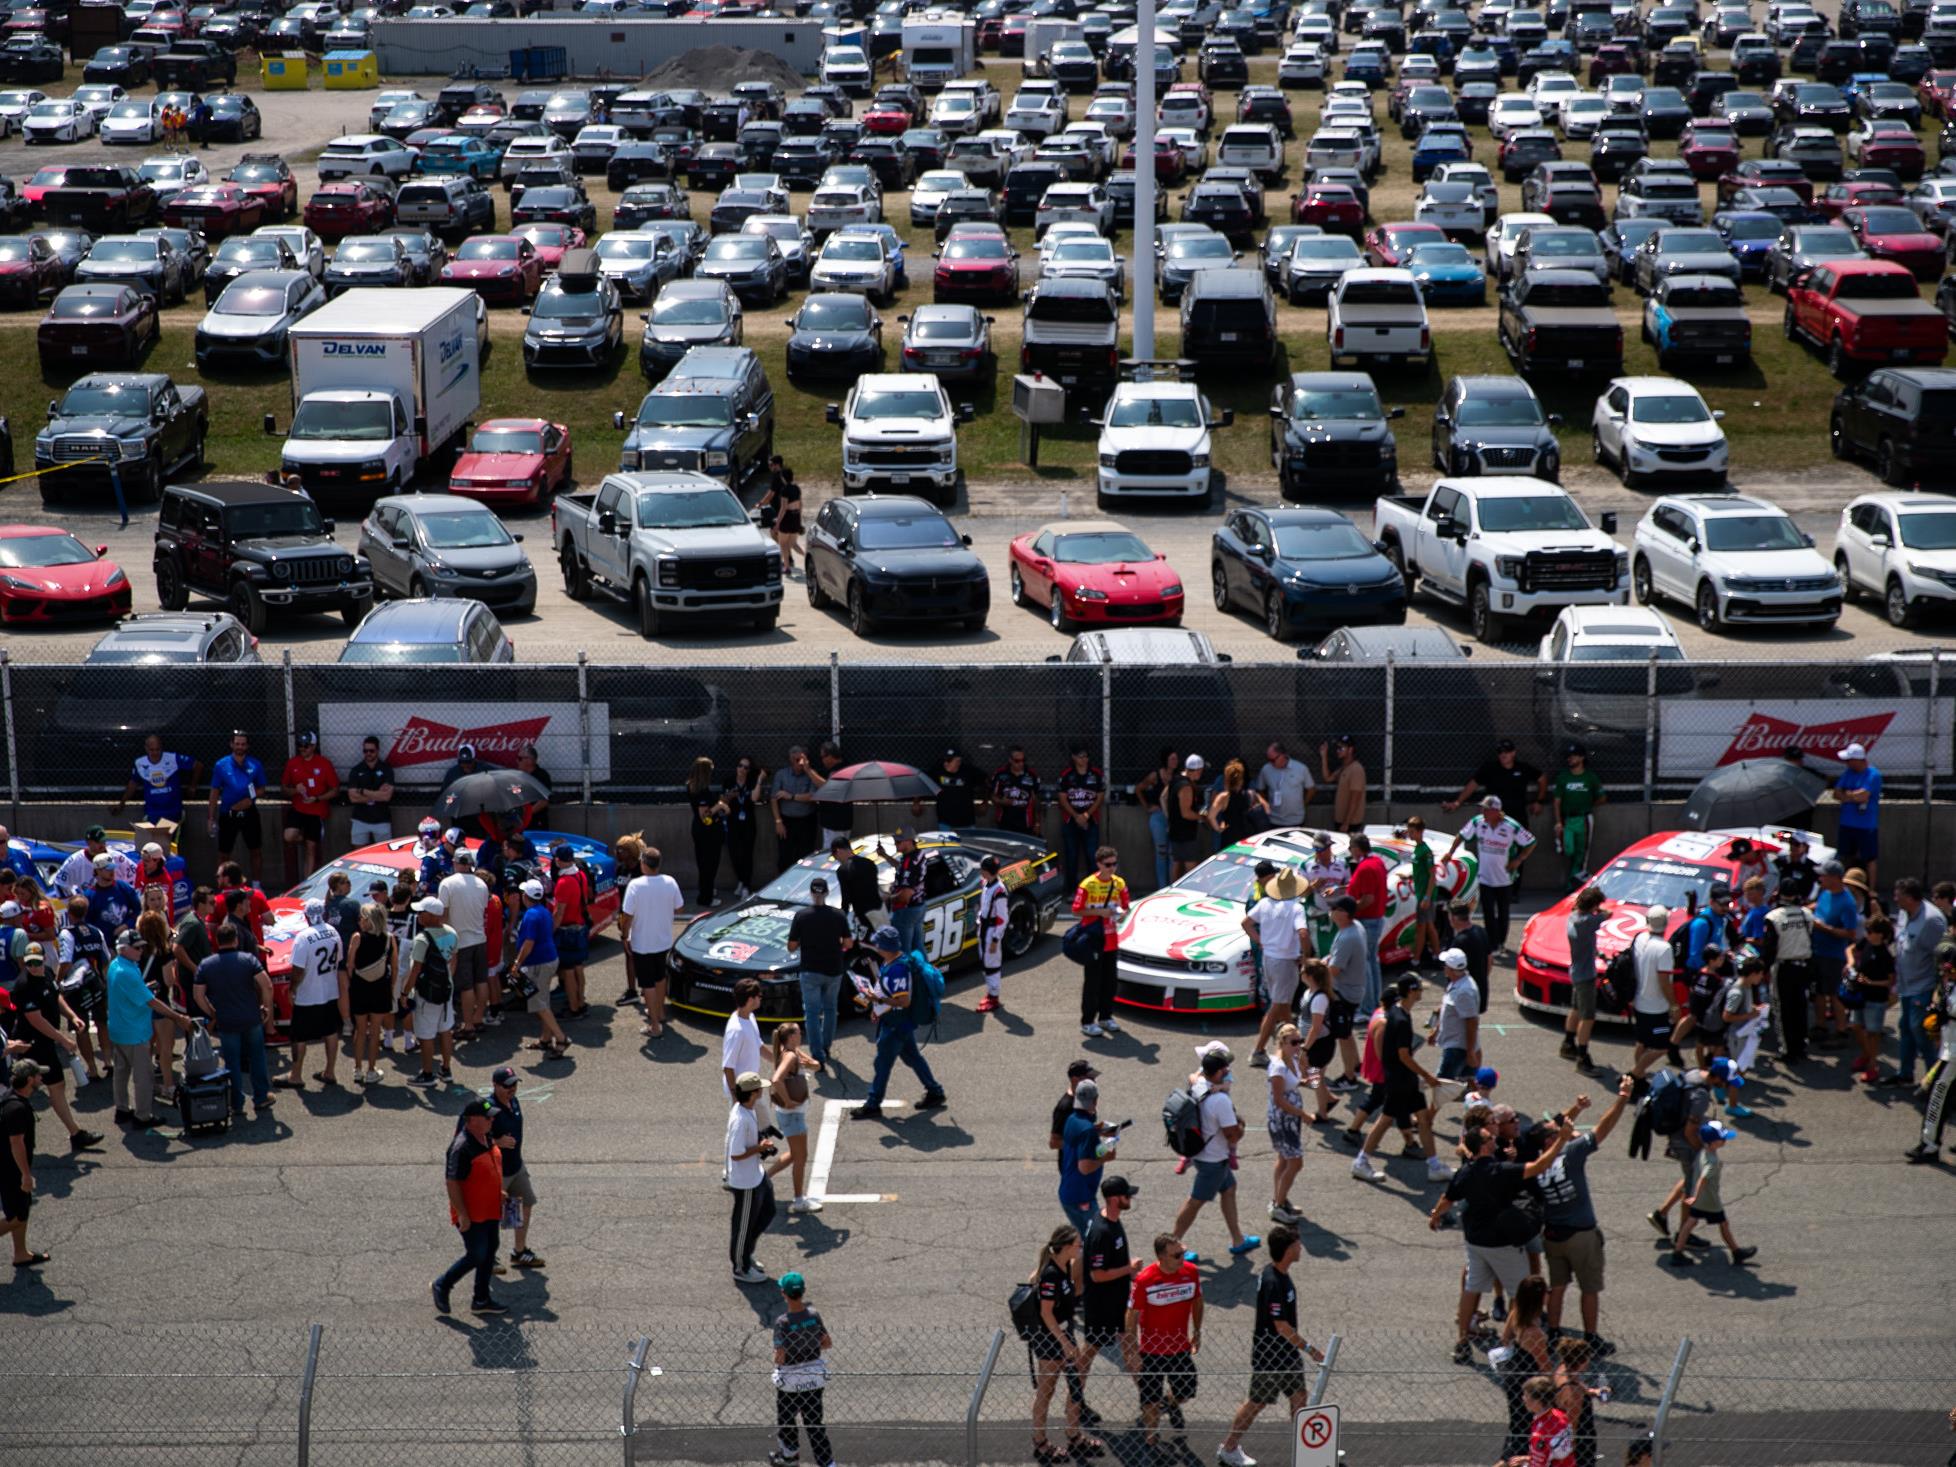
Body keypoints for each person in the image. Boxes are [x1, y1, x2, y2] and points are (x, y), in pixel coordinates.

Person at [1430, 1116, 1573, 1365]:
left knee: (1472, 1289)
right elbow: (1539, 1166)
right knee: (1521, 1294)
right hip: (1502, 1243)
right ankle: (1509, 1344)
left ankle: (1462, 1341)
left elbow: (1448, 1198)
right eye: (1488, 1138)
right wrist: (1561, 1139)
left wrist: (1435, 1216)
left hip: (1475, 1240)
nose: (1493, 1138)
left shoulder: (1466, 1171)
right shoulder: (1500, 1171)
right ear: (1484, 1147)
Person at [1213, 1225, 1324, 1467]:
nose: (1300, 1248)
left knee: (1299, 1399)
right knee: (1257, 1402)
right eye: (1297, 1244)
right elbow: (1281, 1326)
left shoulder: (1278, 1274)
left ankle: (1308, 1450)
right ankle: (1229, 1448)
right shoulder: (1274, 1282)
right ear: (1288, 1249)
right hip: (1271, 1356)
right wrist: (1311, 1349)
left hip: (1287, 1354)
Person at [1536, 1081, 1633, 1348]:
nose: (1565, 1129)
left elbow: (1562, 1125)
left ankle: (1553, 1333)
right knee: (1589, 1289)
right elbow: (1603, 1128)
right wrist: (1623, 1098)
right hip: (1582, 1235)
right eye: (1558, 1130)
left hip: (1553, 1234)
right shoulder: (1570, 1154)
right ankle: (1590, 1337)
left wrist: (1575, 1110)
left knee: (1557, 1286)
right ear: (1550, 1140)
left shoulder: (1534, 1165)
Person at [1353, 976, 1448, 1184]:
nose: (1422, 992)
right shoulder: (1402, 1020)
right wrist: (1427, 1076)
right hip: (1399, 1079)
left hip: (1404, 1079)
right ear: (1412, 991)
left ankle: (1434, 1166)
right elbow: (1404, 1055)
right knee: (1385, 1120)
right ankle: (1361, 1162)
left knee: (1423, 1119)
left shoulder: (1398, 1011)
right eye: (1419, 989)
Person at [1170, 1045, 1260, 1259]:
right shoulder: (1220, 1101)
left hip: (1202, 1151)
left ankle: (1238, 1239)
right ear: (1218, 1073)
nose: (1229, 1072)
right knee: (1194, 1202)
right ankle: (1172, 1247)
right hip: (1213, 1160)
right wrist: (1242, 1126)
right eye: (1225, 1070)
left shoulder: (1198, 1084)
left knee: (1229, 1189)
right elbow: (1232, 1135)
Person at [1027, 1225, 1104, 1465]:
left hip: (1066, 1337)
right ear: (1067, 1246)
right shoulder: (1051, 1274)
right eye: (1078, 1244)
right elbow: (1046, 1313)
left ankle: (1073, 1435)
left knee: (1076, 1386)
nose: (1080, 1247)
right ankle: (1040, 1442)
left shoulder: (1065, 1266)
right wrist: (1064, 1342)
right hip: (1051, 1341)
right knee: (1046, 1391)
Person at [851, 925, 945, 1120]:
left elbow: (903, 1001)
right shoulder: (895, 961)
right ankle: (935, 1091)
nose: (875, 946)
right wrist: (877, 1005)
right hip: (899, 1022)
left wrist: (878, 1001)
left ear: (885, 946)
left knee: (882, 1063)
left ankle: (873, 1103)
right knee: (913, 1058)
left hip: (896, 1024)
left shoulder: (897, 970)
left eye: (878, 943)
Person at [1125, 1232, 1205, 1451]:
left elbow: (1198, 1302)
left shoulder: (1191, 1273)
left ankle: (1169, 1402)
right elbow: (1131, 1316)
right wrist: (1132, 1350)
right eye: (1177, 1255)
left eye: (1183, 1253)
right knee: (1149, 1399)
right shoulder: (1145, 1280)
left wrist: (1197, 1331)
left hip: (1180, 1348)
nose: (1182, 1258)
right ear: (1161, 1257)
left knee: (1186, 1391)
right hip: (1152, 1352)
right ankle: (1151, 1438)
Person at [107, 927, 188, 1128]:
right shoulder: (128, 972)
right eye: (136, 948)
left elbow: (136, 992)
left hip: (118, 1029)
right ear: (123, 949)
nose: (141, 951)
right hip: (134, 1032)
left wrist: (145, 988)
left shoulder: (116, 965)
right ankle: (143, 1116)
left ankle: (122, 1109)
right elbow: (152, 1002)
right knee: (143, 1077)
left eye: (141, 947)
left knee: (121, 1072)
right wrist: (178, 1017)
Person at [1646, 1060, 1735, 1242]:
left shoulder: (1694, 1073)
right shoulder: (1701, 1095)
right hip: (1685, 1142)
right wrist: (1703, 1153)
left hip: (1677, 1135)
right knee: (1691, 1189)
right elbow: (1689, 1131)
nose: (1726, 1085)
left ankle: (1661, 1215)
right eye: (1725, 1081)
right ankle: (1684, 1235)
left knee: (1689, 1178)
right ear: (1716, 1077)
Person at [193, 923, 274, 1120]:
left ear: (217, 942)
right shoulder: (248, 960)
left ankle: (236, 1103)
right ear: (236, 939)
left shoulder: (207, 965)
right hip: (251, 1017)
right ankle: (261, 1096)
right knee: (257, 1057)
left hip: (226, 1021)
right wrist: (266, 1007)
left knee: (232, 1062)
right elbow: (267, 985)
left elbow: (198, 995)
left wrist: (213, 1013)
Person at [435, 1099, 508, 1315]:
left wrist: (499, 1192)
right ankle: (443, 1284)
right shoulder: (461, 1147)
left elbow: (490, 1167)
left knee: (490, 1250)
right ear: (472, 1120)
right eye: (487, 1117)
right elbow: (452, 1182)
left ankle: (481, 1299)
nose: (492, 1120)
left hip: (490, 1209)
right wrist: (462, 1214)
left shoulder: (486, 1138)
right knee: (476, 1254)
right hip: (472, 1213)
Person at [1444, 796, 1537, 957]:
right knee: (1487, 911)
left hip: (1504, 878)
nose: (1483, 811)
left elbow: (1531, 842)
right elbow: (1461, 835)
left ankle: (1500, 942)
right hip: (1485, 877)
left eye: (1486, 809)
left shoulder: (1511, 826)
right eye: (1483, 808)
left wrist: (1519, 860)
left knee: (1503, 912)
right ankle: (1492, 943)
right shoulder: (1478, 822)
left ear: (1496, 811)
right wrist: (1450, 852)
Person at [1076, 1174, 1137, 1416]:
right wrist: (1129, 1269)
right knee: (1090, 1351)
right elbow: (1097, 1275)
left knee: (1130, 1345)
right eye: (1126, 1195)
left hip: (1118, 1300)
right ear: (1114, 1199)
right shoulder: (1102, 1231)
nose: (1130, 1198)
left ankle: (1149, 1396)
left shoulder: (1112, 1220)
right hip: (1101, 1304)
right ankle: (1076, 1400)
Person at [769, 1271, 835, 1467]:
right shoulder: (814, 1316)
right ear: (803, 1292)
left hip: (790, 1383)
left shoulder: (783, 1322)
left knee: (787, 1419)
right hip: (813, 1379)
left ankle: (790, 1456)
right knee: (815, 1423)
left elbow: (779, 1357)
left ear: (784, 1294)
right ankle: (827, 1463)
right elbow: (827, 1343)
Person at [1667, 1123, 1757, 1266]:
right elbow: (1703, 1179)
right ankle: (1736, 1252)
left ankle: (1677, 1252)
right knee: (1723, 1223)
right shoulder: (1712, 1162)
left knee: (1691, 1222)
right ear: (1714, 1142)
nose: (1725, 1141)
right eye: (1723, 1139)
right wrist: (1695, 1196)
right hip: (1710, 1201)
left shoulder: (1703, 1152)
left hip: (1700, 1200)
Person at [1243, 868, 1307, 1069]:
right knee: (1277, 1006)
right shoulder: (1295, 908)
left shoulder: (1264, 904)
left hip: (1269, 959)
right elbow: (1303, 933)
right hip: (1286, 961)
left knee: (1284, 1005)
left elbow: (1246, 923)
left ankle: (1293, 1045)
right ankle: (1258, 1050)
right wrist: (1306, 957)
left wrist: (1261, 942)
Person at [278, 899, 345, 1092]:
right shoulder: (334, 932)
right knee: (331, 1031)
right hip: (329, 991)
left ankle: (296, 1075)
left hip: (308, 994)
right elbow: (338, 960)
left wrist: (292, 989)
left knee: (299, 1036)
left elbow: (298, 969)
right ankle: (330, 1071)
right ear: (323, 914)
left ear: (306, 916)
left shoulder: (303, 937)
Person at [619, 845, 684, 1040]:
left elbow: (627, 916)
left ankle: (654, 1025)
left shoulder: (636, 885)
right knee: (660, 978)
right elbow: (679, 910)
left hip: (642, 942)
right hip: (662, 940)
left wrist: (624, 936)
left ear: (644, 864)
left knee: (647, 983)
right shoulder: (670, 882)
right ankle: (660, 1013)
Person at [1890, 877, 1948, 1090]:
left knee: (1919, 1029)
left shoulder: (1932, 921)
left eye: (1899, 895)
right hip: (1906, 983)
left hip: (1923, 985)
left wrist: (1939, 991)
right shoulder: (1905, 914)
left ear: (1909, 897)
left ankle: (1934, 1080)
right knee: (1905, 1026)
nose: (1895, 898)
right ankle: (1905, 1074)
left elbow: (1943, 955)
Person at [787, 877, 851, 1064]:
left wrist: (803, 941)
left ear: (811, 893)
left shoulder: (801, 916)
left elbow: (791, 946)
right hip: (834, 969)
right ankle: (826, 1046)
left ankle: (817, 1054)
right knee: (831, 1009)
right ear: (827, 893)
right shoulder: (838, 915)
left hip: (810, 970)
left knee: (812, 1013)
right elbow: (848, 943)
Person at [1903, 941, 1956, 1164]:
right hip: (1948, 1047)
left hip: (1953, 1054)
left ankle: (1929, 1144)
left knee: (1937, 1095)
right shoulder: (1949, 985)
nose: (1943, 969)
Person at [488, 1065, 544, 1271]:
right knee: (491, 1215)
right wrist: (496, 1142)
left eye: (514, 1085)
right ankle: (488, 1257)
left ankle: (519, 1252)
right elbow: (471, 1140)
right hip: (496, 1172)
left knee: (525, 1203)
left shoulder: (514, 1101)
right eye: (507, 1085)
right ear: (495, 1085)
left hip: (516, 1167)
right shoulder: (487, 1109)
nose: (512, 1089)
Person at [399, 895, 458, 1088]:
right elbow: (454, 960)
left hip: (427, 993)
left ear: (433, 915)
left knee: (425, 1034)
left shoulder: (422, 939)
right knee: (446, 1030)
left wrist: (405, 993)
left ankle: (427, 1074)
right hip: (446, 988)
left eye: (422, 912)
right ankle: (446, 1069)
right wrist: (447, 979)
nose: (419, 915)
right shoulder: (451, 932)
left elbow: (415, 969)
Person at [1073, 845, 1130, 1040]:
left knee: (1110, 982)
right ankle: (1087, 1021)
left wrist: (1121, 914)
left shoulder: (1119, 883)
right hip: (1093, 940)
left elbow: (1126, 906)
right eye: (1108, 865)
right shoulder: (1087, 885)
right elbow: (1077, 910)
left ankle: (1106, 1017)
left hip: (1111, 940)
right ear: (1098, 864)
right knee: (1092, 983)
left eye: (1115, 864)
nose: (1112, 868)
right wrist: (1099, 912)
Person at [727, 1071, 779, 1285]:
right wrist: (759, 1147)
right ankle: (741, 1266)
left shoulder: (747, 1109)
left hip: (756, 1175)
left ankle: (747, 1251)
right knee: (744, 1226)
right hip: (746, 1181)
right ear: (753, 1093)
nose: (762, 1091)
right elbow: (736, 1153)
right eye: (760, 1089)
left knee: (768, 1211)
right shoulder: (741, 1119)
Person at [766, 1022, 823, 1214]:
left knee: (794, 1154)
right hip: (793, 1116)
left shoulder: (791, 1051)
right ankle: (799, 1200)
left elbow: (816, 1065)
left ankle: (763, 1180)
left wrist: (812, 1064)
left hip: (790, 1115)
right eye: (798, 1032)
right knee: (801, 1157)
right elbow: (776, 1080)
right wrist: (789, 1101)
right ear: (790, 1037)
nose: (801, 1034)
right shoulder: (790, 1055)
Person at [1496, 1277, 1556, 1462]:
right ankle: (1512, 1461)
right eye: (1547, 1291)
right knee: (1527, 1428)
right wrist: (1556, 1385)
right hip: (1531, 1380)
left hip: (1514, 1374)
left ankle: (1508, 1459)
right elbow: (1544, 1364)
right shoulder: (1534, 1332)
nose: (1550, 1294)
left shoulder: (1517, 1314)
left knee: (1517, 1425)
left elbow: (1505, 1339)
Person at [2, 1060, 53, 1269]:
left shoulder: (11, 1099)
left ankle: (21, 1253)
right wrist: (25, 1174)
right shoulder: (17, 1108)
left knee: (21, 1212)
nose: (41, 1079)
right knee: (15, 1218)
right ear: (30, 1080)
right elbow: (16, 1143)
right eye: (39, 1076)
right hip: (11, 1169)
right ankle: (21, 1253)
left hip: (10, 1166)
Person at [510, 881, 568, 1061]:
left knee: (539, 1003)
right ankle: (545, 1038)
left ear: (525, 897)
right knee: (544, 1000)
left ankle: (561, 1038)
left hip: (539, 964)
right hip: (549, 959)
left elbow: (528, 943)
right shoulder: (543, 911)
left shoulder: (530, 916)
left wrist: (517, 963)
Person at [439, 850, 491, 1039]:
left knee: (466, 986)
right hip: (480, 939)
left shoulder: (447, 884)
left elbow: (443, 914)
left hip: (459, 942)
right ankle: (478, 1018)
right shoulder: (481, 884)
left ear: (455, 863)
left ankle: (468, 1025)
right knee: (481, 981)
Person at [1761, 885, 1816, 1064]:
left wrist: (1762, 969)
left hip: (1783, 967)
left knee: (1783, 1009)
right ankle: (1800, 1046)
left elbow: (1770, 947)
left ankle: (1788, 1050)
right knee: (1800, 1007)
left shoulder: (1773, 917)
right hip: (1804, 966)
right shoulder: (1807, 914)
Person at [1811, 861, 1862, 1047]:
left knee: (1834, 994)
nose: (1820, 878)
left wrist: (1823, 928)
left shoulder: (1847, 903)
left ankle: (1841, 1031)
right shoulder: (1825, 893)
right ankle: (1820, 1025)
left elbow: (1850, 933)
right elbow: (1817, 906)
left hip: (1833, 955)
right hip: (1817, 950)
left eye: (1823, 875)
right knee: (1818, 991)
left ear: (1834, 878)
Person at [1059, 1077, 1118, 1236]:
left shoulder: (1072, 1119)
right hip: (1081, 1197)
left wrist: (1098, 1131)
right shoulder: (1087, 1131)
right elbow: (1084, 1167)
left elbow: (1082, 1136)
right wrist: (1105, 1157)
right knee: (1097, 1240)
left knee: (1085, 1241)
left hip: (1069, 1192)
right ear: (1096, 1100)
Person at [346, 902, 396, 1086]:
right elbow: (395, 966)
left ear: (369, 920)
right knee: (375, 1032)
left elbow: (350, 965)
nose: (359, 920)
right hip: (380, 987)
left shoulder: (357, 938)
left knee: (360, 1030)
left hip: (360, 987)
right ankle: (371, 1070)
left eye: (362, 917)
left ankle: (357, 1069)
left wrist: (354, 980)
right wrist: (391, 987)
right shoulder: (389, 939)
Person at [207, 731, 268, 882]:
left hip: (249, 813)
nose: (240, 747)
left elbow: (262, 788)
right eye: (237, 744)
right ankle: (223, 885)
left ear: (247, 746)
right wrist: (210, 817)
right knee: (223, 853)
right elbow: (214, 792)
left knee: (255, 850)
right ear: (232, 744)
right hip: (228, 813)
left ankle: (257, 885)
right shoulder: (221, 765)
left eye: (243, 744)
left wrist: (249, 799)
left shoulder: (255, 765)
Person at [279, 731, 337, 886]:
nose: (302, 749)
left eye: (305, 745)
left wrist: (317, 798)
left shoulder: (324, 763)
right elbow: (284, 788)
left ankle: (307, 883)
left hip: (316, 810)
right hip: (298, 808)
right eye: (300, 745)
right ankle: (306, 837)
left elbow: (334, 789)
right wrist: (295, 790)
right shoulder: (292, 763)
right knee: (289, 836)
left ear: (313, 746)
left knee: (311, 848)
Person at [1627, 907, 1678, 1082]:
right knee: (1662, 1046)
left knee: (1642, 1041)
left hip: (1639, 1002)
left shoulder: (1640, 939)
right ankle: (1634, 1074)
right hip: (1656, 1007)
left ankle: (1639, 1075)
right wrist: (1674, 1004)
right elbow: (1664, 981)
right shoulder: (1664, 948)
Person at [1266, 1024, 1309, 1225]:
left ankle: (1279, 1199)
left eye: (1300, 1041)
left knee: (1284, 1160)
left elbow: (1310, 1082)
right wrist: (1304, 1114)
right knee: (1296, 1162)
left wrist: (1308, 1064)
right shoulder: (1278, 1067)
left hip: (1291, 1119)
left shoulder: (1293, 1058)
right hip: (1283, 1121)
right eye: (1293, 1042)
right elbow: (1279, 1100)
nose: (1298, 1045)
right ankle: (1278, 1206)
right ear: (1282, 1043)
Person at [115, 734, 200, 837]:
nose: (155, 753)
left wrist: (192, 786)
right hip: (152, 812)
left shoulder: (172, 758)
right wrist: (122, 803)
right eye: (152, 750)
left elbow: (197, 765)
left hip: (172, 811)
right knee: (152, 845)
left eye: (157, 749)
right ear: (146, 749)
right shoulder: (140, 763)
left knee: (165, 842)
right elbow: (133, 783)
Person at [1444, 739, 1547, 823]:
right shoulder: (1490, 768)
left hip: (1517, 816)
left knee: (1521, 845)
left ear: (1513, 753)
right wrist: (1457, 802)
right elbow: (1473, 784)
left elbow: (1542, 779)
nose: (1503, 754)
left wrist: (1539, 801)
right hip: (1494, 815)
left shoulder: (1523, 768)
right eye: (1500, 752)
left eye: (1507, 751)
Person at [1846, 915, 1896, 1085]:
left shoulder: (1885, 955)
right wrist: (1851, 963)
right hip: (1860, 994)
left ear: (1880, 935)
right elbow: (1851, 949)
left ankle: (1872, 1065)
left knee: (1873, 1032)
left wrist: (1871, 982)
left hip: (1876, 998)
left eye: (1870, 931)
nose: (1867, 933)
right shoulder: (1866, 943)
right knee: (1856, 1026)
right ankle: (1866, 1054)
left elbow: (1890, 981)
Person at [1325, 896, 1370, 1088]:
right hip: (1354, 988)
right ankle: (1357, 1064)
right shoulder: (1354, 927)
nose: (1331, 911)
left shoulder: (1348, 937)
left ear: (1344, 914)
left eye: (1334, 908)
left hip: (1344, 993)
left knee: (1342, 1036)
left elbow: (1334, 969)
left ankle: (1349, 1077)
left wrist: (1315, 970)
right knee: (1347, 1032)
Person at [1562, 886, 1606, 1074]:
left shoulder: (1573, 918)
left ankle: (1568, 1043)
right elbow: (1607, 914)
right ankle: (1583, 1057)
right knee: (1587, 1017)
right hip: (1586, 974)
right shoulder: (1588, 921)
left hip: (1575, 971)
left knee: (1575, 1008)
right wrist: (1598, 911)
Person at [1552, 744, 1606, 889]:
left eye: (1574, 755)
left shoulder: (1590, 777)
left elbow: (1602, 798)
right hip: (1567, 819)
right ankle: (1574, 879)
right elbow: (1557, 801)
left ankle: (1574, 885)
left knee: (1582, 853)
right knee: (1568, 850)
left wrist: (1587, 805)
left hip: (1584, 819)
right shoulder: (1563, 777)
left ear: (1582, 757)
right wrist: (1558, 822)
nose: (1570, 758)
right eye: (1569, 756)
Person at [1347, 831, 1391, 1013]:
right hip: (1375, 919)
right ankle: (1373, 1004)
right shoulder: (1377, 862)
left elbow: (1367, 899)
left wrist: (1349, 911)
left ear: (1357, 849)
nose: (1350, 851)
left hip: (1367, 920)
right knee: (1372, 961)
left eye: (1351, 848)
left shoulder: (1365, 868)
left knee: (1365, 964)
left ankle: (1367, 1008)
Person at [1831, 741, 1882, 891]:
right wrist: (1852, 795)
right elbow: (1836, 793)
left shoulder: (1873, 775)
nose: (1846, 763)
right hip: (1847, 823)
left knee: (1870, 858)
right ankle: (1844, 886)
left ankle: (1871, 890)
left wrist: (1847, 795)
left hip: (1866, 825)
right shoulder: (1848, 773)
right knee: (1845, 856)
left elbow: (1864, 796)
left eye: (1849, 760)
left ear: (1858, 760)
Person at [548, 845, 592, 1019]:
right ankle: (580, 1002)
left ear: (558, 860)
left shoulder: (563, 883)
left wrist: (551, 932)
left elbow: (559, 913)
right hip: (580, 927)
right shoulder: (580, 875)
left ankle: (573, 1007)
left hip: (567, 931)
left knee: (568, 971)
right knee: (579, 967)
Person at [1056, 743, 1107, 891]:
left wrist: (1086, 815)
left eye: (1086, 756)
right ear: (1073, 758)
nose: (1084, 759)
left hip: (1091, 820)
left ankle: (1093, 889)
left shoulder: (1096, 774)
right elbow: (1062, 798)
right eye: (1080, 756)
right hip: (1070, 820)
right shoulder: (1066, 775)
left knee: (1092, 856)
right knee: (1071, 856)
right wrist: (1076, 816)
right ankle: (1071, 890)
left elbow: (1100, 796)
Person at [1499, 1375, 1579, 1467]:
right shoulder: (1559, 1415)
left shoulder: (1540, 1434)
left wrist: (1528, 1462)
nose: (1523, 1398)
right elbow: (1554, 1453)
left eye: (1526, 1396)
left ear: (1537, 1401)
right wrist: (1529, 1458)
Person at [686, 756, 730, 909]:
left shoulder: (692, 787)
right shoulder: (702, 791)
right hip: (707, 832)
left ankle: (707, 890)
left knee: (704, 863)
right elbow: (704, 814)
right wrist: (721, 805)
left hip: (701, 831)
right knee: (709, 864)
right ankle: (706, 898)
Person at [1135, 747, 1181, 890]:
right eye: (1172, 758)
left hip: (1174, 818)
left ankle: (1171, 887)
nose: (1175, 761)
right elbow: (1139, 789)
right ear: (1165, 760)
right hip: (1159, 817)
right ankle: (1162, 887)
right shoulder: (1155, 775)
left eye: (1176, 759)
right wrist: (1147, 806)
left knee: (1173, 854)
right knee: (1161, 852)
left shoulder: (1179, 776)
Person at [722, 977, 771, 1111]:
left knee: (762, 1124)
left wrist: (779, 1061)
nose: (760, 998)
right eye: (759, 996)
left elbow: (758, 1045)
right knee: (744, 1129)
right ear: (750, 1000)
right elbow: (728, 1066)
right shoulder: (737, 1030)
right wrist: (736, 1098)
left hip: (752, 1086)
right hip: (742, 1092)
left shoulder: (750, 1017)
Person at [1435, 947, 1483, 1081]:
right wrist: (1436, 1031)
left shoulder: (1464, 992)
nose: (1443, 967)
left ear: (1451, 969)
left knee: (1441, 1085)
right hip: (1455, 1044)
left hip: (1457, 1048)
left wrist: (1470, 1052)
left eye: (1445, 965)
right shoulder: (1457, 983)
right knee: (1466, 1084)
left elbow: (1471, 1022)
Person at [772, 746, 821, 871]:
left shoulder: (811, 774)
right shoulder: (781, 774)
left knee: (805, 856)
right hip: (786, 821)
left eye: (802, 759)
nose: (799, 762)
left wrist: (791, 796)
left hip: (806, 821)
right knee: (785, 856)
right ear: (791, 759)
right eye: (796, 759)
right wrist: (778, 821)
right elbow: (774, 798)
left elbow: (813, 796)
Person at [724, 755, 766, 900]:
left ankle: (746, 885)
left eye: (745, 767)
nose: (742, 769)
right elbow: (723, 800)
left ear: (749, 770)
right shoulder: (729, 781)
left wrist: (759, 780)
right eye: (740, 766)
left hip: (748, 824)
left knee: (747, 855)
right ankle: (741, 880)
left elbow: (754, 798)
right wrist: (730, 795)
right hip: (732, 822)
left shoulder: (751, 782)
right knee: (734, 854)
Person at [343, 736, 396, 848]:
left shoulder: (386, 769)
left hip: (382, 819)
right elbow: (353, 797)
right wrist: (377, 795)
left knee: (384, 853)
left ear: (377, 750)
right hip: (360, 819)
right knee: (358, 855)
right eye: (365, 751)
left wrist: (363, 791)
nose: (368, 753)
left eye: (371, 751)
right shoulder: (356, 770)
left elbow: (386, 797)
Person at [1403, 815, 1441, 970]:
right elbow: (1421, 871)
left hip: (1425, 896)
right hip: (1421, 893)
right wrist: (1409, 876)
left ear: (1420, 832)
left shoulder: (1425, 851)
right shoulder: (1417, 848)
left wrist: (1427, 896)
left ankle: (1416, 961)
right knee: (1429, 926)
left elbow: (1432, 875)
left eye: (1412, 832)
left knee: (1422, 928)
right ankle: (1436, 955)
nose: (1409, 834)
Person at [1205, 758, 1264, 854]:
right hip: (1247, 837)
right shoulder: (1250, 794)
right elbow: (1266, 809)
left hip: (1229, 837)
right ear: (1241, 779)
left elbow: (1211, 816)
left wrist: (1219, 829)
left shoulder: (1223, 797)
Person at [886, 825, 928, 958]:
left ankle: (909, 978)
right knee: (918, 948)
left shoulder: (910, 862)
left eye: (898, 841)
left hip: (906, 910)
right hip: (918, 907)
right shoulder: (916, 854)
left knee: (903, 953)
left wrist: (887, 898)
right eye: (895, 841)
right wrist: (885, 856)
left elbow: (905, 896)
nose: (895, 844)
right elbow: (901, 868)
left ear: (909, 841)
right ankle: (927, 977)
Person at [975, 855, 1010, 1013]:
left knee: (992, 964)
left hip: (991, 932)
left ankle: (994, 997)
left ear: (987, 871)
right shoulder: (987, 884)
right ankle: (990, 993)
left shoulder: (999, 891)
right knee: (985, 962)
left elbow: (1003, 919)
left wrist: (996, 939)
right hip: (983, 928)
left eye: (982, 869)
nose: (980, 872)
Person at [1253, 741, 1315, 830]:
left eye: (1273, 760)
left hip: (1296, 819)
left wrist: (1303, 804)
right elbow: (1260, 790)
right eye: (1269, 760)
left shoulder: (1301, 768)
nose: (1271, 763)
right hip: (1274, 819)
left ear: (1283, 755)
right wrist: (1266, 805)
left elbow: (1311, 789)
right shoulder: (1266, 769)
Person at [759, 461, 805, 579]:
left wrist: (777, 523)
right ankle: (807, 556)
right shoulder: (797, 488)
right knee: (793, 543)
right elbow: (801, 505)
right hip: (795, 517)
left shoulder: (784, 490)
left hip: (787, 518)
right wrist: (799, 521)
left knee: (783, 544)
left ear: (783, 478)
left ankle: (787, 567)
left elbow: (783, 508)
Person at [831, 834, 880, 935]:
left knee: (865, 945)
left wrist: (842, 918)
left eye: (835, 856)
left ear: (838, 851)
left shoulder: (843, 870)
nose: (836, 859)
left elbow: (846, 898)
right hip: (877, 911)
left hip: (862, 915)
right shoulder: (870, 863)